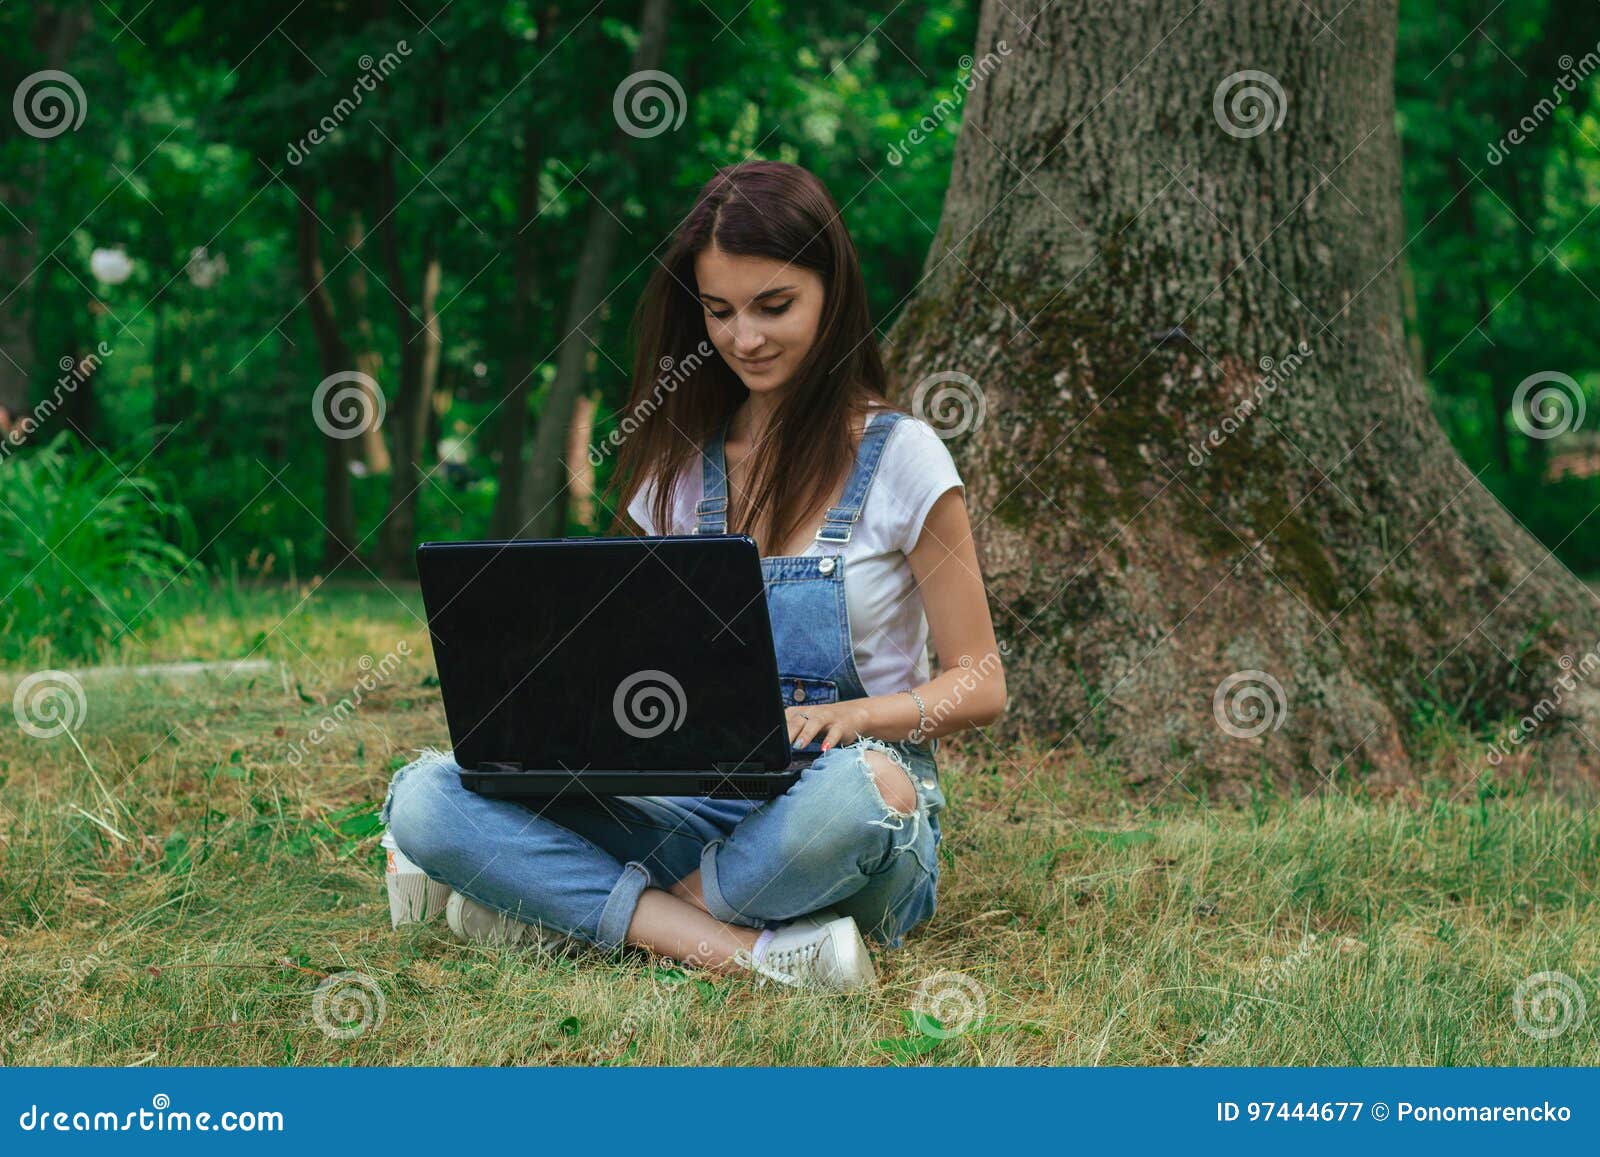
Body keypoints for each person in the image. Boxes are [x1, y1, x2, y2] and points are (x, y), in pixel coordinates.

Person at [381, 160, 1006, 991]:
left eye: (773, 306)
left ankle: (574, 912)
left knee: (867, 791)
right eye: (720, 311)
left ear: (833, 293)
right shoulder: (676, 475)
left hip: (841, 818)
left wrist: (856, 716)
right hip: (696, 809)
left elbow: (984, 681)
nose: (744, 338)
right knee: (423, 795)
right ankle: (746, 951)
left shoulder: (905, 458)